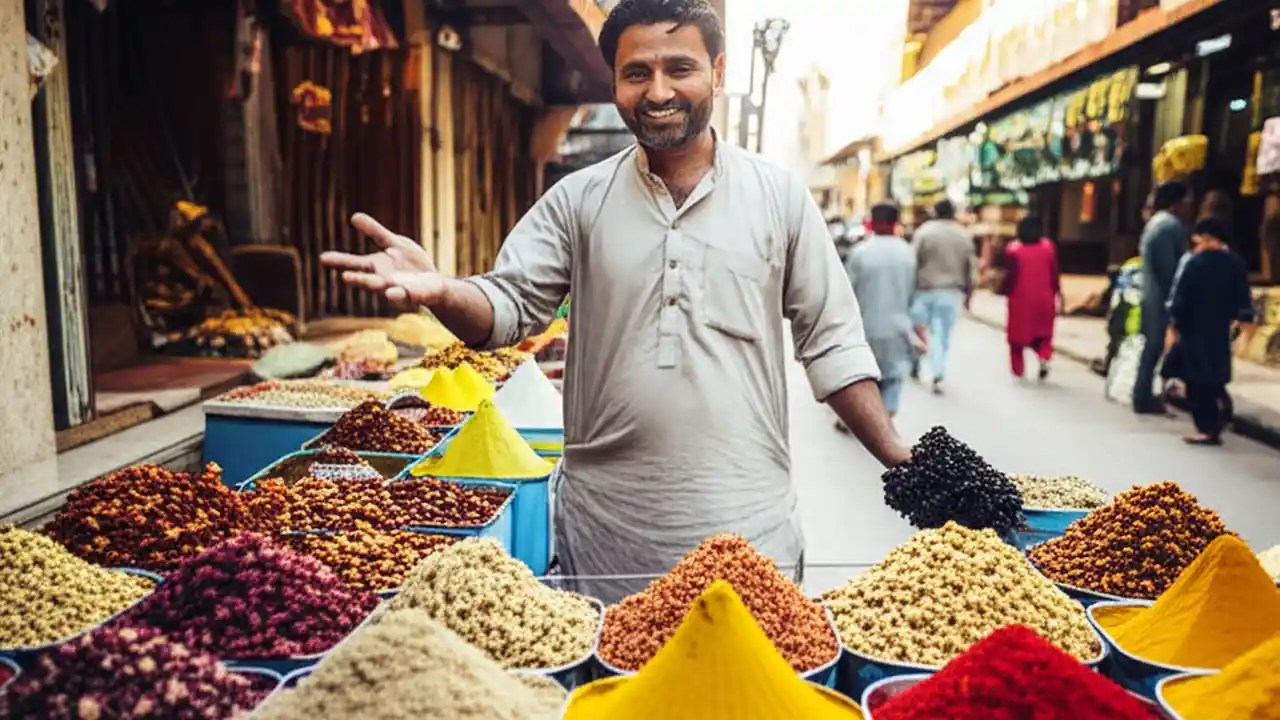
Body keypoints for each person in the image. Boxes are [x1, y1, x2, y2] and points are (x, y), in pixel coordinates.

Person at [319, 0, 910, 601]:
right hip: (607, 534)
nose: (658, 91)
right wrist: (445, 291)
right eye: (637, 73)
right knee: (611, 690)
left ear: (719, 73)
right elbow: (505, 308)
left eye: (680, 69)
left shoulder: (779, 198)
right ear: (614, 83)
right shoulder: (579, 200)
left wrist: (896, 455)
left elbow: (832, 340)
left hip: (750, 523)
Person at [1167, 217, 1254, 445]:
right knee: (1215, 371)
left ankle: (1206, 428)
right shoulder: (1235, 263)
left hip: (1194, 326)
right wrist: (1243, 320)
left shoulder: (1196, 264)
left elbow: (1181, 298)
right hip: (1220, 326)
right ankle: (1220, 410)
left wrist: (1175, 322)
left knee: (1195, 378)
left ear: (1206, 238)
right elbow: (1243, 295)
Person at [844, 203, 923, 418]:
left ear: (872, 222)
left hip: (865, 328)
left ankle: (865, 418)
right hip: (898, 329)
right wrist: (919, 330)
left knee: (864, 377)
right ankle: (885, 417)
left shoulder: (860, 252)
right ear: (896, 223)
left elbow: (847, 294)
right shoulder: (908, 254)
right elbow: (914, 296)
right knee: (894, 377)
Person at [1133, 181, 1193, 415]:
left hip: (1150, 292)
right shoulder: (1169, 226)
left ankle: (1143, 392)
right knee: (1154, 345)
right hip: (1159, 296)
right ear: (1176, 203)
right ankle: (1143, 395)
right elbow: (1170, 269)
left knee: (1153, 346)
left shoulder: (1155, 224)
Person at [910, 199, 976, 394]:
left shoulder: (924, 232)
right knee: (942, 335)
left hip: (924, 290)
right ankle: (938, 374)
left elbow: (913, 262)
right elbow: (970, 268)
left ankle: (919, 363)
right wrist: (969, 293)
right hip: (951, 292)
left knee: (920, 331)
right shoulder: (963, 235)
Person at [999, 216, 1060, 381]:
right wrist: (1057, 292)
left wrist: (1002, 291)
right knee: (1043, 333)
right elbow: (1054, 273)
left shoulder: (1013, 250)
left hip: (1020, 298)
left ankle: (1018, 371)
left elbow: (1010, 276)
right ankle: (1043, 356)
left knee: (1016, 339)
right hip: (1044, 297)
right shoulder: (1048, 248)